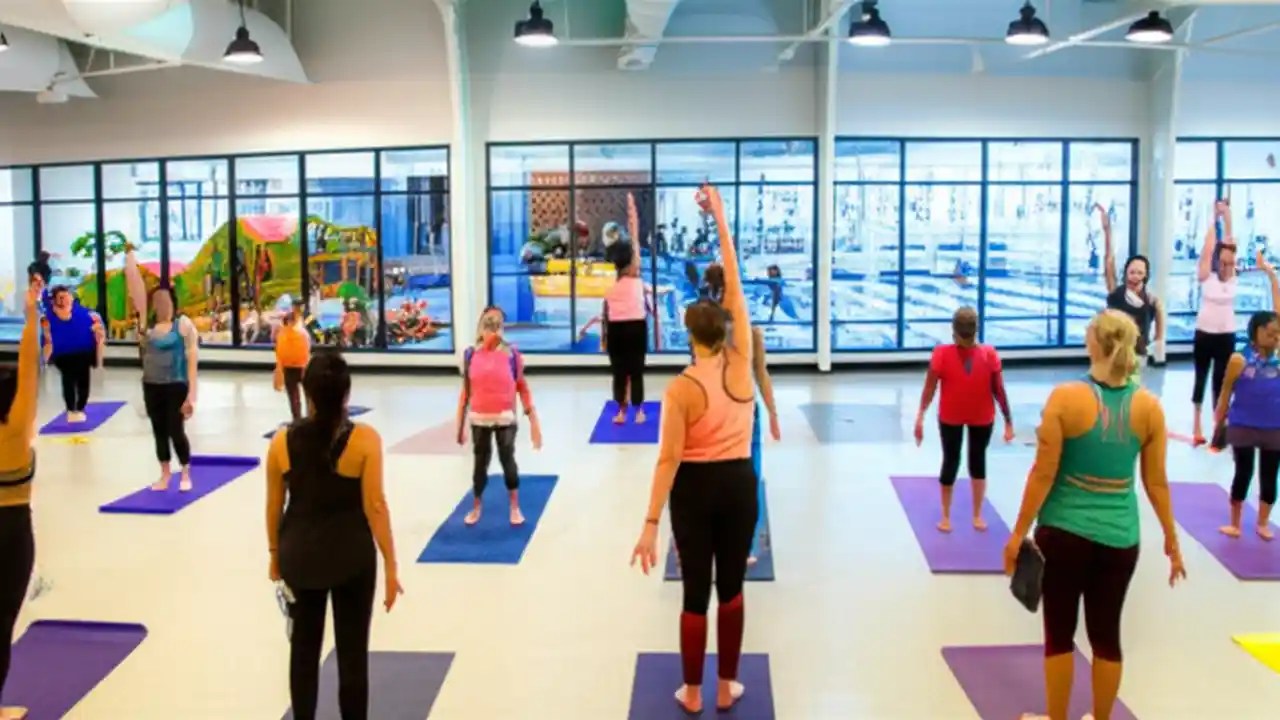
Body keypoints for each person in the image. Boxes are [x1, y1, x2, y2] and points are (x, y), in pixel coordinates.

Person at [1003, 310, 1185, 720]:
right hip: (1120, 539)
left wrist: (1016, 535)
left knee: (1059, 634)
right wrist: (1172, 540)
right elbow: (1157, 483)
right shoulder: (1149, 408)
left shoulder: (1065, 398)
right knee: (1106, 636)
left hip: (1063, 534)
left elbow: (1043, 473)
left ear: (1096, 344)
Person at [630, 184, 756, 715]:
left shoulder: (681, 387)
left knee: (694, 592)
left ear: (689, 335)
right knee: (731, 588)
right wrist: (720, 217)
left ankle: (694, 691)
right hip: (740, 486)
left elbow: (668, 460)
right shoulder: (742, 358)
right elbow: (734, 276)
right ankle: (727, 685)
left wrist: (650, 523)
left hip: (695, 491)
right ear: (725, 329)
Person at [266, 351, 402, 720]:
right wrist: (391, 565)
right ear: (346, 395)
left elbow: (273, 507)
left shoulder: (281, 443)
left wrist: (275, 556)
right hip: (352, 560)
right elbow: (376, 506)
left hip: (301, 557)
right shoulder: (366, 441)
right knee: (353, 655)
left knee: (303, 653)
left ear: (308, 394)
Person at [914, 307, 1014, 532]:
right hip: (957, 416)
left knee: (969, 461)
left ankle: (967, 515)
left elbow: (998, 389)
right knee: (957, 461)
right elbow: (930, 388)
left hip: (975, 417)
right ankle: (953, 516)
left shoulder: (987, 354)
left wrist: (1009, 421)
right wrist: (920, 415)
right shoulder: (944, 354)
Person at [455, 306, 543, 526]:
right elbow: (465, 392)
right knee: (480, 463)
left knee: (507, 460)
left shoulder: (512, 354)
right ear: (482, 328)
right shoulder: (470, 354)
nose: (493, 329)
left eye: (497, 325)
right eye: (489, 325)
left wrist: (534, 421)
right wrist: (460, 426)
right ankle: (476, 506)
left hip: (505, 418)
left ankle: (514, 506)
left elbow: (522, 386)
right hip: (479, 419)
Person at [0, 279, 41, 720]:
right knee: (1, 623)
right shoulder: (15, 431)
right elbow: (29, 367)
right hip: (12, 532)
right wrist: (32, 314)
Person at [126, 253, 199, 492]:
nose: (161, 306)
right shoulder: (148, 329)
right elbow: (143, 358)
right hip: (152, 385)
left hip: (175, 384)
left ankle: (185, 470)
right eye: (157, 301)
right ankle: (165, 473)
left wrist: (192, 395)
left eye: (165, 301)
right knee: (158, 430)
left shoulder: (184, 325)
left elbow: (192, 362)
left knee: (175, 430)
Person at [578, 194, 651, 424]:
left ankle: (637, 409)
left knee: (635, 372)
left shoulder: (634, 275)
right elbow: (606, 313)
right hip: (621, 328)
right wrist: (604, 337)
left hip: (634, 326)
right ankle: (622, 409)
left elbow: (636, 240)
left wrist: (632, 213)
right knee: (621, 373)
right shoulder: (617, 282)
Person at [1213, 309, 1280, 540]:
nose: (1275, 338)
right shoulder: (1239, 359)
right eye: (1271, 333)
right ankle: (1235, 523)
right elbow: (1226, 390)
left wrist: (1273, 278)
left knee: (1270, 475)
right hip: (1243, 423)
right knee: (1244, 471)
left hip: (1274, 425)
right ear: (1257, 331)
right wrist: (1220, 419)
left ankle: (1263, 522)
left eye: (1278, 334)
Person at [1191, 201, 1239, 445]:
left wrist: (1227, 215)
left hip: (1226, 334)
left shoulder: (1234, 275)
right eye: (1223, 260)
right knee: (1201, 378)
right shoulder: (1206, 275)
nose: (1227, 264)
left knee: (1222, 381)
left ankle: (1218, 428)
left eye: (1230, 260)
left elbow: (1230, 240)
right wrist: (1214, 218)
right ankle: (1197, 426)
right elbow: (1209, 247)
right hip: (1205, 334)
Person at [1099, 203, 1163, 382]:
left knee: (1131, 390)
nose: (1135, 277)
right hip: (1112, 353)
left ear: (1146, 276)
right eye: (1132, 272)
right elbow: (1109, 261)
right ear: (1126, 273)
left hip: (1137, 354)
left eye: (1140, 273)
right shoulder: (1116, 293)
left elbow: (1159, 321)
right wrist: (1107, 232)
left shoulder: (1151, 300)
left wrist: (1159, 340)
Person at [40, 286, 105, 423]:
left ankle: (80, 407)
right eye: (60, 297)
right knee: (68, 379)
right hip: (63, 355)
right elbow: (46, 338)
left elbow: (98, 330)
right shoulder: (49, 317)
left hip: (84, 353)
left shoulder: (85, 313)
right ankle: (71, 408)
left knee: (83, 380)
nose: (64, 300)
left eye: (66, 296)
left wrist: (98, 337)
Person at [274, 307, 312, 423]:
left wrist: (278, 372)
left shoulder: (281, 335)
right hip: (303, 368)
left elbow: (279, 354)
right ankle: (311, 418)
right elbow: (307, 350)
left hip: (288, 368)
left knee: (293, 397)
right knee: (309, 395)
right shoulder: (303, 334)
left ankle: (297, 420)